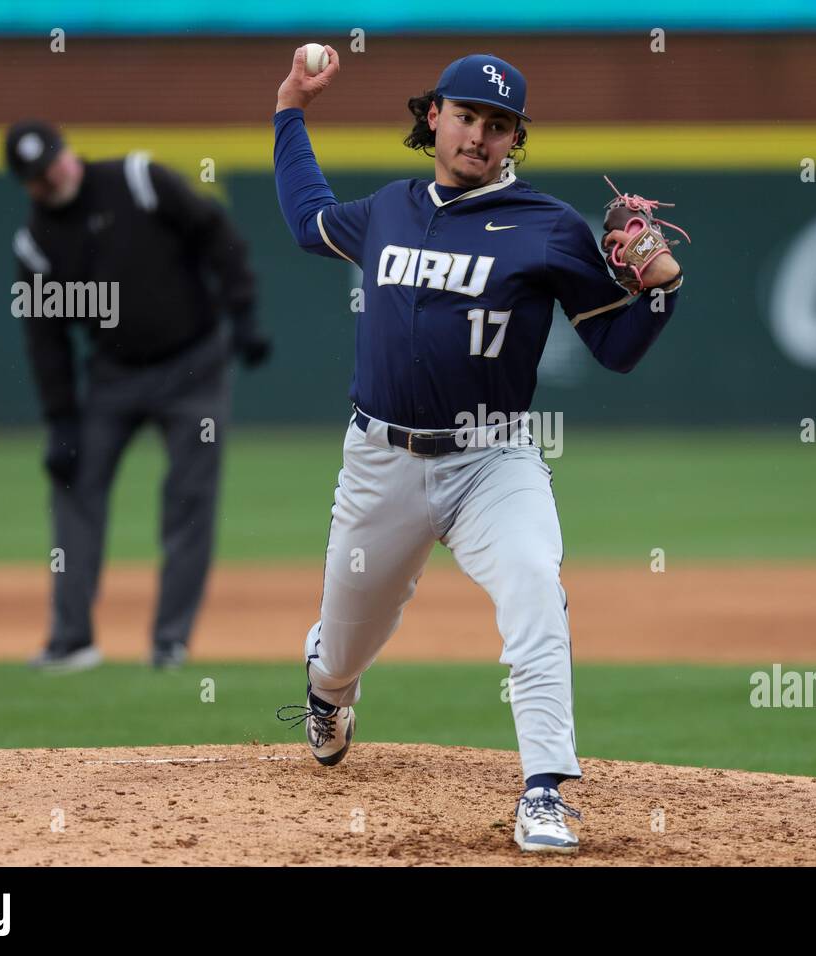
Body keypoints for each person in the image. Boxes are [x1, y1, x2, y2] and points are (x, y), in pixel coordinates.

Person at [272, 50, 685, 853]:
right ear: (434, 117)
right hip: (381, 463)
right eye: (466, 116)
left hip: (492, 462)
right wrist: (291, 108)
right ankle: (328, 691)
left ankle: (545, 791)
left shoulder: (549, 226)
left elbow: (616, 349)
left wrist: (662, 293)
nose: (479, 136)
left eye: (499, 125)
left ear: (514, 139)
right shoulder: (389, 210)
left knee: (534, 585)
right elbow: (304, 218)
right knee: (343, 649)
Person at [5, 119, 271, 672]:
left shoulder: (137, 180)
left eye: (54, 161)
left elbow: (215, 231)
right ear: (26, 185)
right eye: (39, 175)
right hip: (113, 376)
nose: (54, 176)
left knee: (189, 498)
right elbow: (45, 340)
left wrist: (242, 311)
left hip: (194, 366)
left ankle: (170, 641)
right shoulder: (36, 243)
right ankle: (72, 640)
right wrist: (60, 421)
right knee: (73, 483)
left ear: (68, 150)